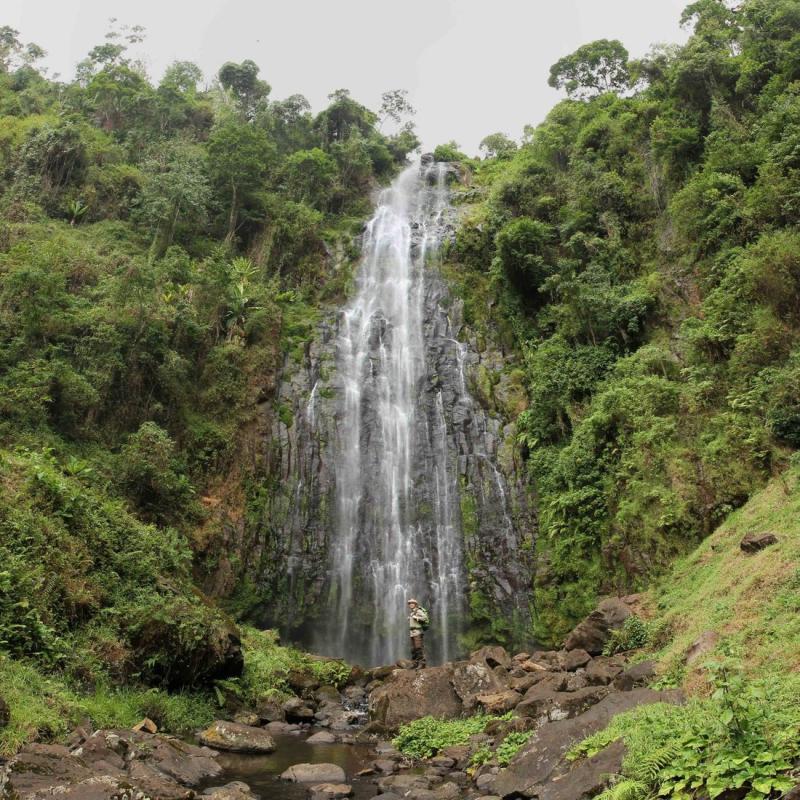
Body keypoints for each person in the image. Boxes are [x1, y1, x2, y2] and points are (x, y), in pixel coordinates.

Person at [407, 598, 429, 669]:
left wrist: (416, 617)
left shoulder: (418, 611)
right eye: (410, 603)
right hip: (412, 633)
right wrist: (410, 618)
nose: (411, 604)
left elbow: (425, 618)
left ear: (415, 604)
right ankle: (415, 663)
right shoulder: (411, 613)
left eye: (412, 603)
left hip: (417, 632)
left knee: (418, 647)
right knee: (413, 649)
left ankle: (422, 664)